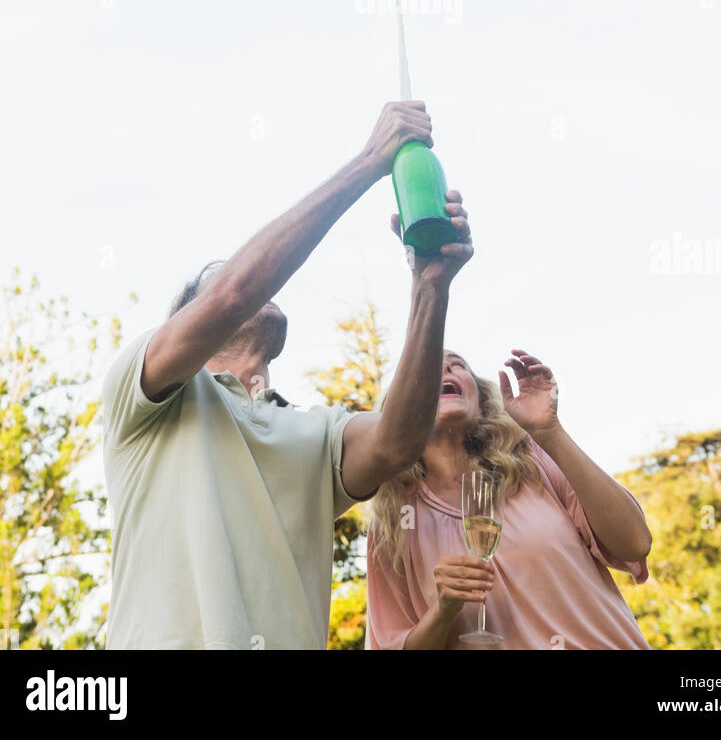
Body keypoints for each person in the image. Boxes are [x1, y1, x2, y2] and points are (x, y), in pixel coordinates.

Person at [102, 100, 473, 650]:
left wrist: (430, 283)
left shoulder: (316, 432)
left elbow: (398, 443)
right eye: (221, 277)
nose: (260, 287)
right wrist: (371, 161)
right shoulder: (147, 393)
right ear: (187, 318)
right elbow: (233, 295)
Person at [366, 348, 652, 650]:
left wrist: (550, 431)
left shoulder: (533, 462)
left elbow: (635, 543)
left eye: (457, 365)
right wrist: (442, 611)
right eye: (428, 368)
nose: (445, 371)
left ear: (483, 401)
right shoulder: (393, 525)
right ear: (400, 409)